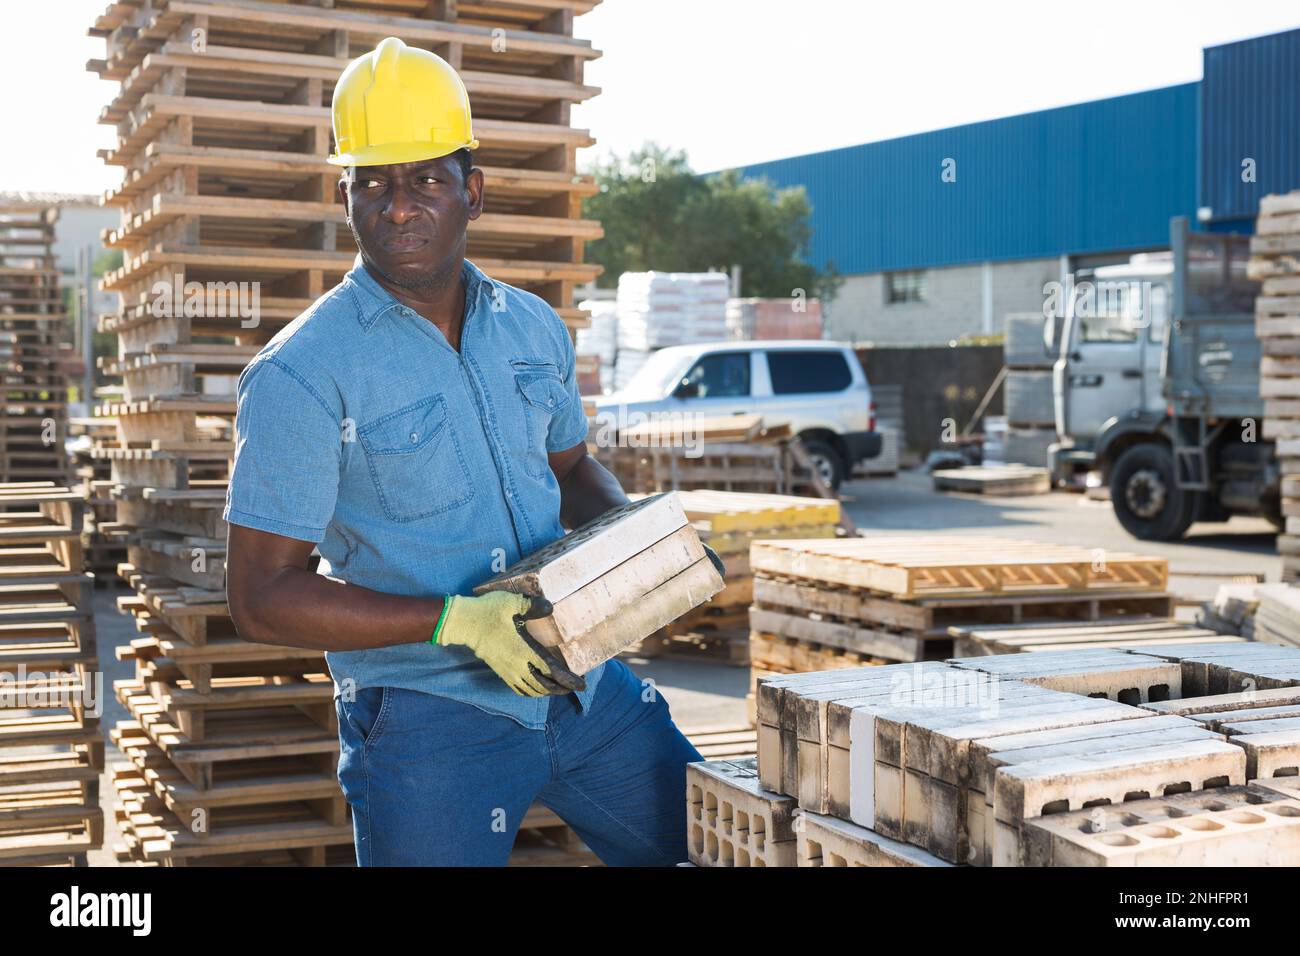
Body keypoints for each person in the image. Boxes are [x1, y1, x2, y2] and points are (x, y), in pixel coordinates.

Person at [223, 37, 715, 866]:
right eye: (372, 182)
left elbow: (569, 471)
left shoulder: (531, 328)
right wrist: (454, 620)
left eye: (426, 179)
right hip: (427, 722)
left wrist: (642, 546)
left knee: (712, 849)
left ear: (472, 192)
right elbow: (260, 597)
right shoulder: (301, 374)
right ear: (344, 196)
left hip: (585, 687)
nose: (399, 206)